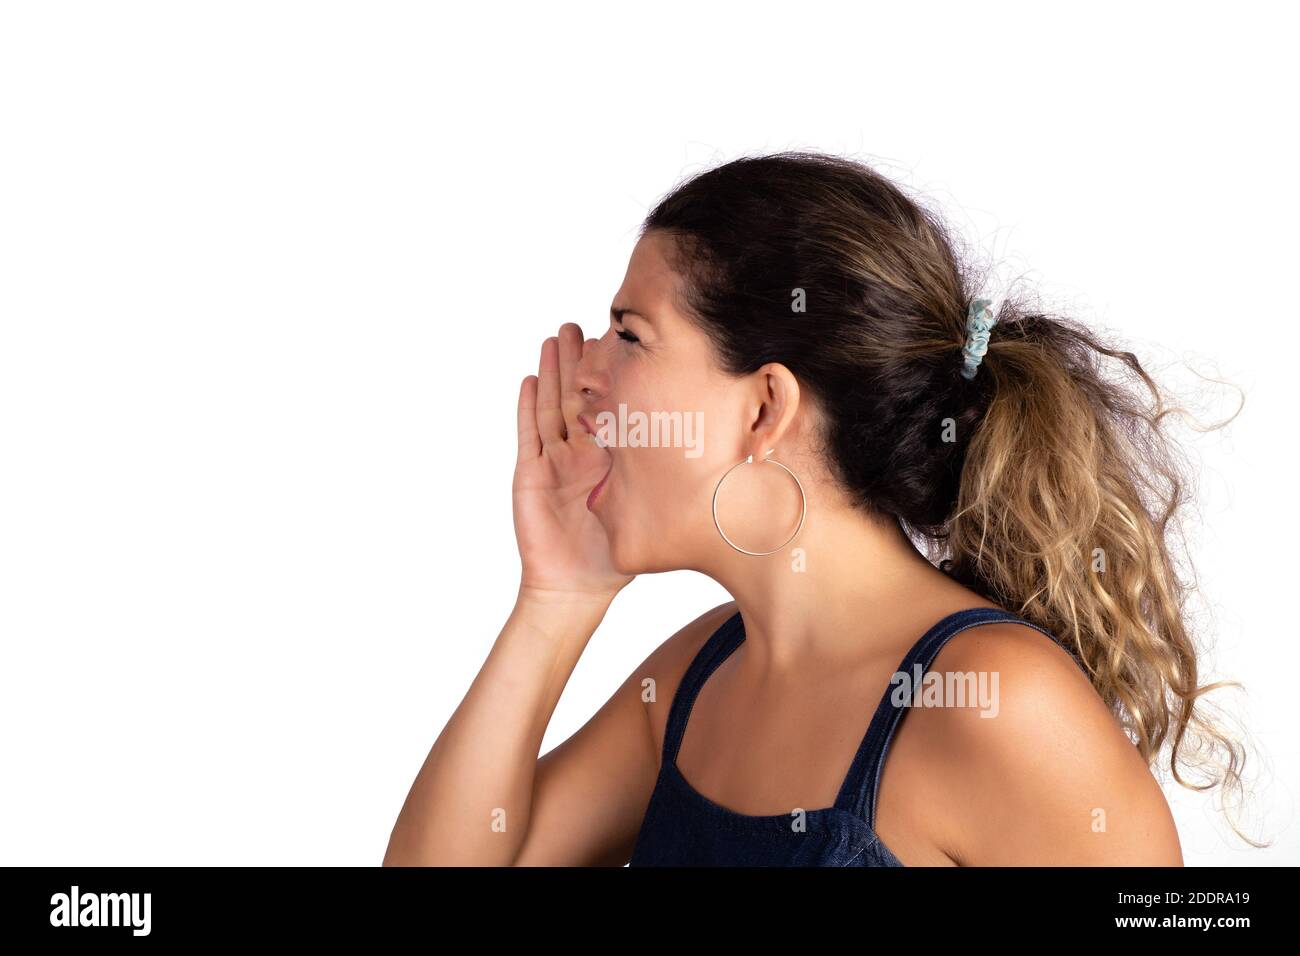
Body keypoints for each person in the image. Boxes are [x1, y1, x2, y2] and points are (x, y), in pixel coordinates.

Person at [384, 151, 1244, 866]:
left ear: (763, 410)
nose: (586, 378)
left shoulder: (998, 705)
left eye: (631, 335)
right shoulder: (695, 677)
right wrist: (557, 600)